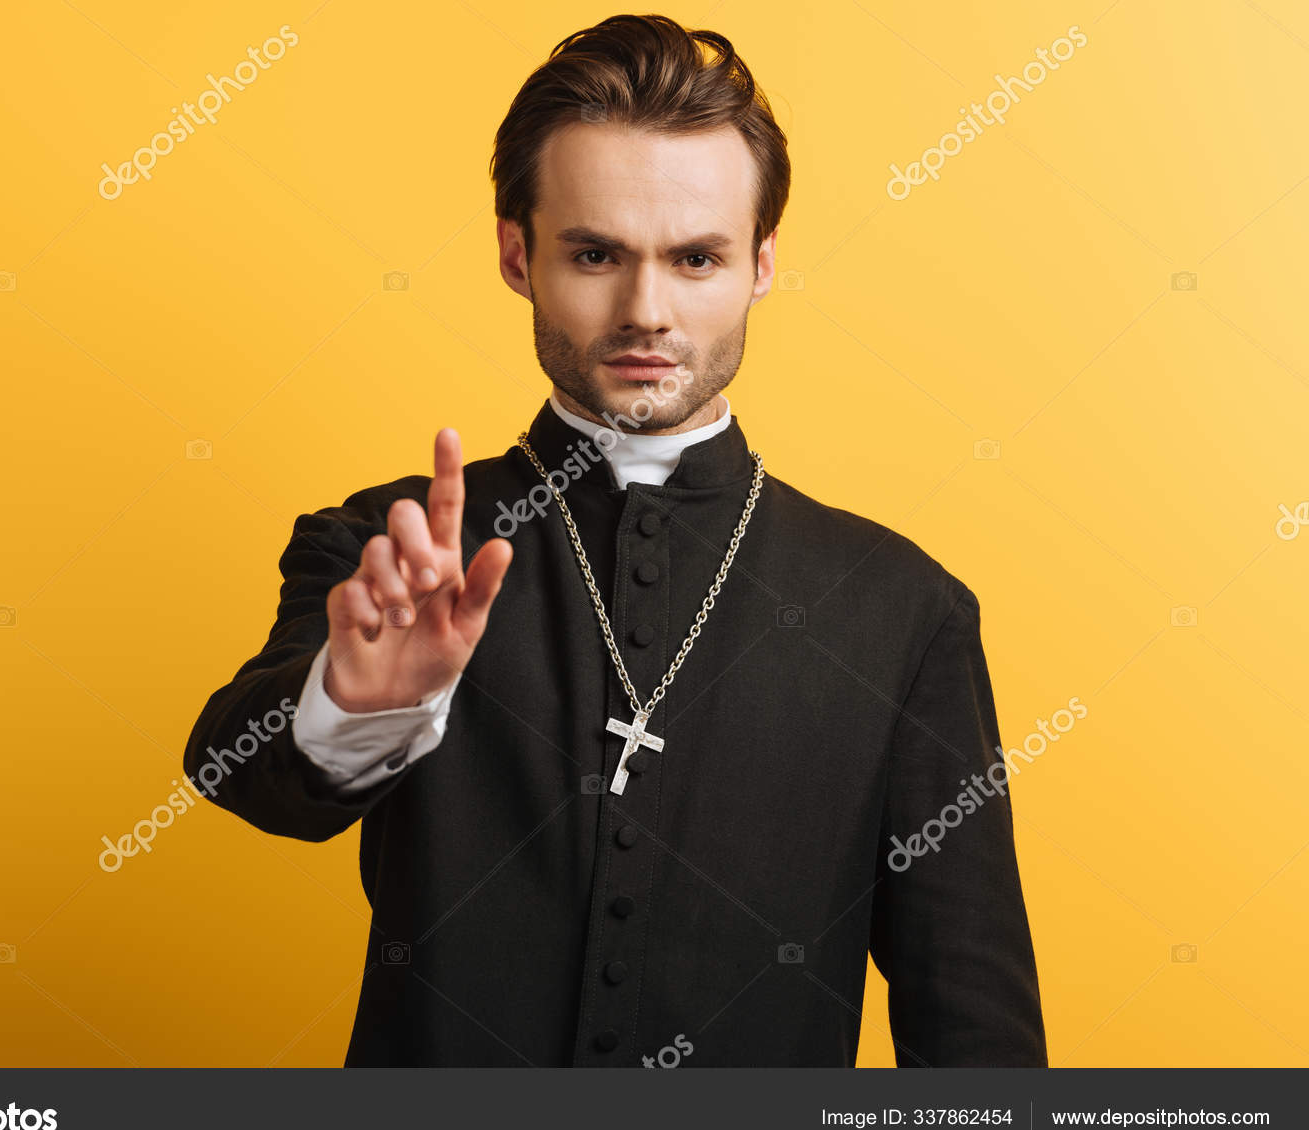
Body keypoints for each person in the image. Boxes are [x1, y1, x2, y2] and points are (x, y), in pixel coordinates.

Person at [185, 13, 1046, 1068]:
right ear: (517, 253)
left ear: (760, 265)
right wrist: (357, 705)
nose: (646, 311)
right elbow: (235, 774)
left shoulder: (900, 606)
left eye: (695, 258)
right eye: (595, 253)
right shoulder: (388, 545)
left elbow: (971, 1021)